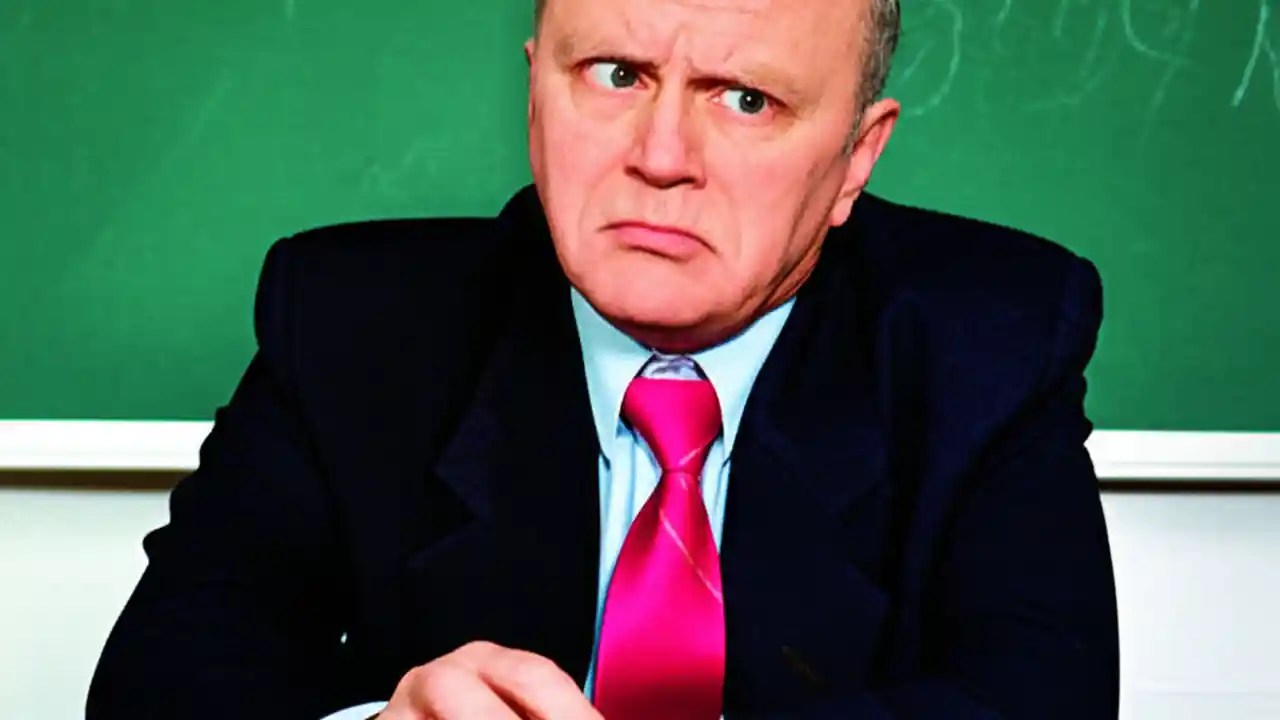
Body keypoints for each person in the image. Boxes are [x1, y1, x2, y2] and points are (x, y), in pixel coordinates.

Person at [88, 0, 1120, 717]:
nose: (660, 156)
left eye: (744, 98)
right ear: (535, 91)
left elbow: (1031, 700)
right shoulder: (355, 323)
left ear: (856, 157)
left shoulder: (988, 337)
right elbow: (160, 679)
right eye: (615, 75)